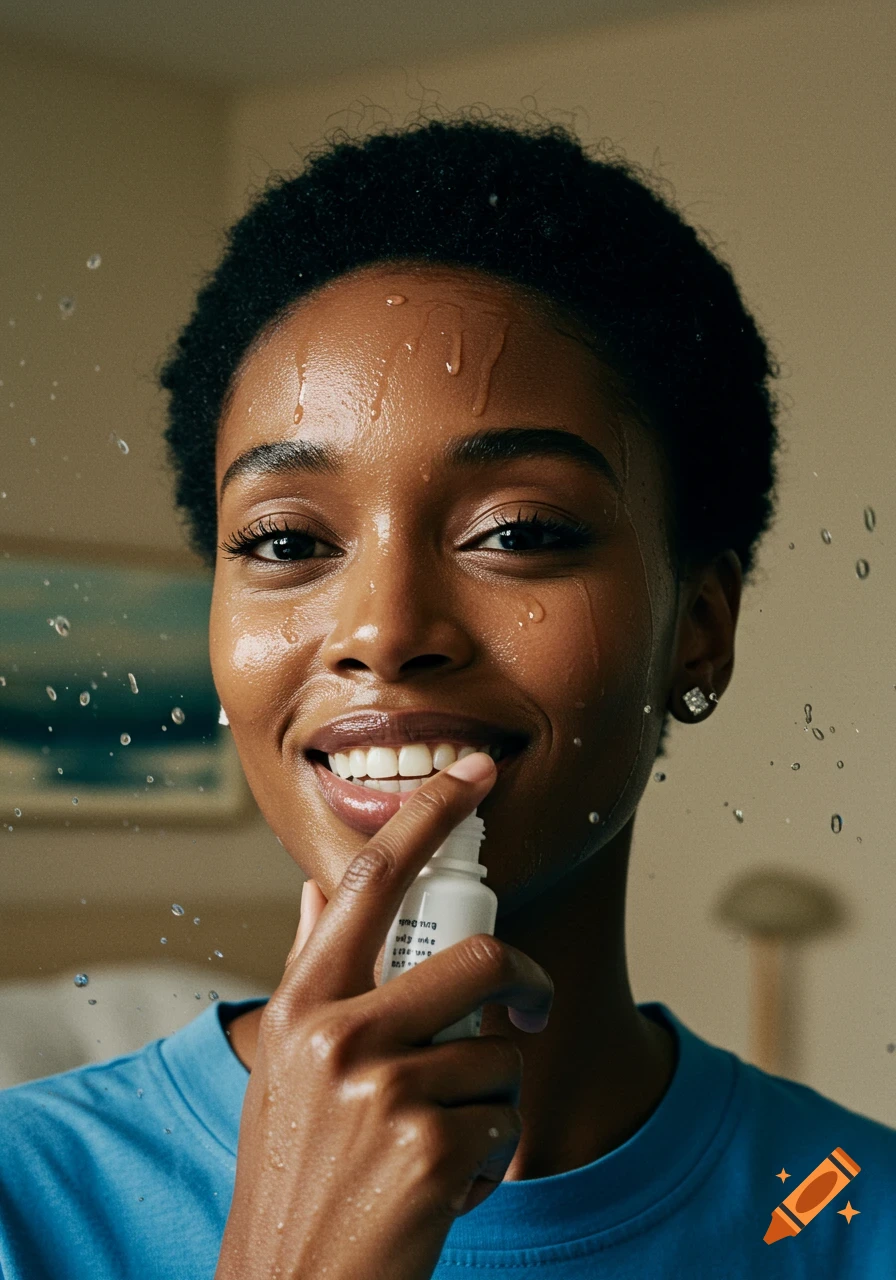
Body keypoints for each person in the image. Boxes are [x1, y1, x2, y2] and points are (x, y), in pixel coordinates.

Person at [0, 111, 893, 1279]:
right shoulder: (26, 1200)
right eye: (282, 541)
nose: (381, 630)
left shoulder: (849, 1219)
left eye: (517, 530)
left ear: (698, 630)